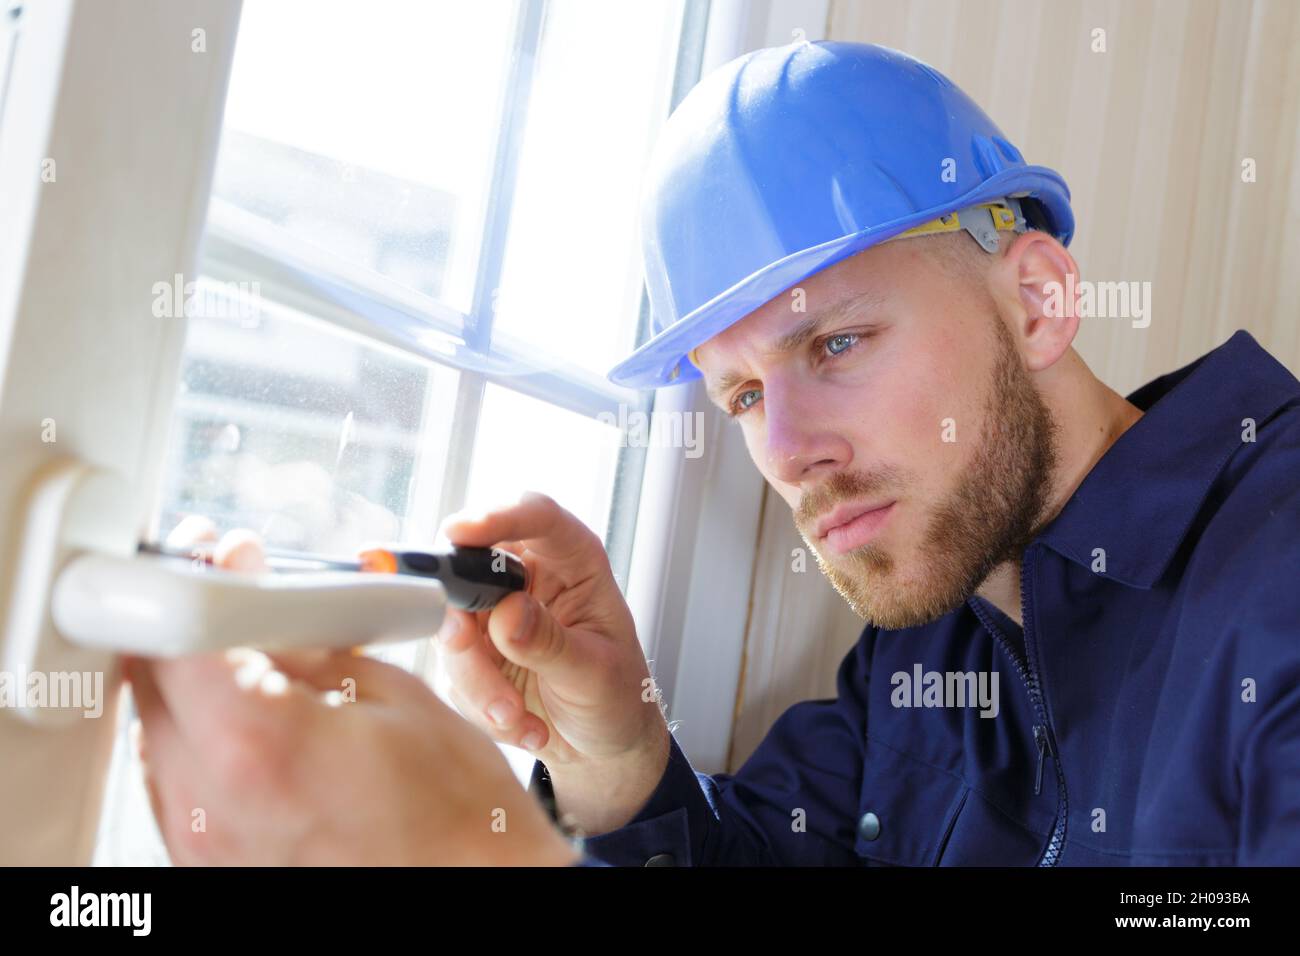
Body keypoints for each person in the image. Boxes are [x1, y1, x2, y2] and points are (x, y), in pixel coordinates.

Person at [130, 41, 1300, 866]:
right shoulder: (922, 655)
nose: (786, 452)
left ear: (1037, 299)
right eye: (741, 393)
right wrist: (618, 749)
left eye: (835, 342)